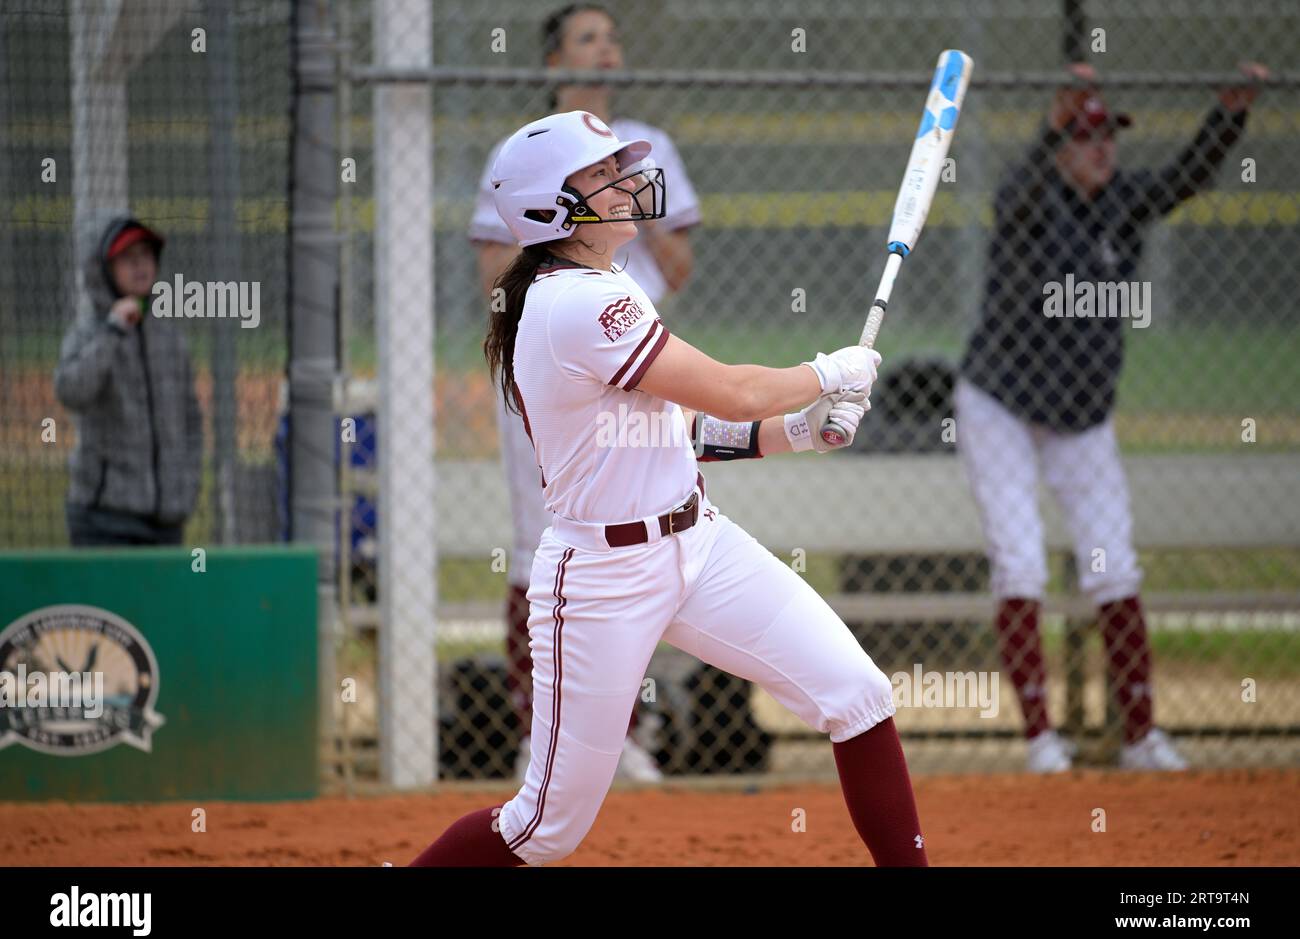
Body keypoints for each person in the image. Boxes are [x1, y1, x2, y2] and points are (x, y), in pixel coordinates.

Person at [409, 110, 926, 867]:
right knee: (542, 829)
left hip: (698, 544)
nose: (624, 184)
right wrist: (828, 372)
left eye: (620, 168)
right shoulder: (576, 302)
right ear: (553, 204)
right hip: (601, 578)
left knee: (856, 694)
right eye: (601, 175)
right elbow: (732, 393)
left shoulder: (606, 282)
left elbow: (675, 432)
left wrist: (803, 430)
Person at [955, 62, 1268, 772]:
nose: (1104, 149)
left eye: (1108, 136)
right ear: (1063, 145)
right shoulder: (1034, 198)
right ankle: (1041, 739)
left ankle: (1141, 736)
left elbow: (1183, 181)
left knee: (1113, 566)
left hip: (1083, 413)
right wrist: (1049, 129)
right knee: (1022, 563)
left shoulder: (1120, 202)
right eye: (1088, 136)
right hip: (1001, 404)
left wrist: (1227, 117)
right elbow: (1018, 195)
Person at [469, 3, 701, 782]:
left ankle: (619, 736)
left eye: (610, 38)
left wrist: (625, 199)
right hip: (559, 379)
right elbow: (494, 282)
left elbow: (679, 268)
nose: (605, 52)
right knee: (543, 544)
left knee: (637, 540)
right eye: (586, 39)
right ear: (554, 62)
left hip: (643, 375)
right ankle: (538, 732)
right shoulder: (527, 156)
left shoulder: (648, 148)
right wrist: (572, 238)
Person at [54, 214, 203, 547]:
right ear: (106, 268)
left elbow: (191, 420)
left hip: (165, 521)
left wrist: (185, 486)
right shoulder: (90, 333)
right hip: (104, 520)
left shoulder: (170, 339)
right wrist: (113, 331)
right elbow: (70, 391)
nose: (141, 265)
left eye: (147, 255)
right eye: (128, 257)